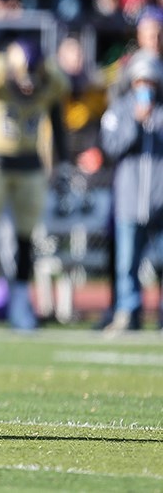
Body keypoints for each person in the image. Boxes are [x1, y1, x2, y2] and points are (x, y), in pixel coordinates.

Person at [0, 39, 71, 330]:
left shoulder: (52, 82)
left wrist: (63, 164)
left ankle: (20, 308)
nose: (28, 85)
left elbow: (58, 124)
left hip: (30, 165)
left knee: (25, 238)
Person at [100, 50, 163, 333]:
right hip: (129, 199)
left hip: (159, 200)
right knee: (127, 264)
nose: (145, 87)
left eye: (150, 82)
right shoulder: (119, 110)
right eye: (140, 82)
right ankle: (128, 312)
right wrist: (136, 123)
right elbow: (111, 148)